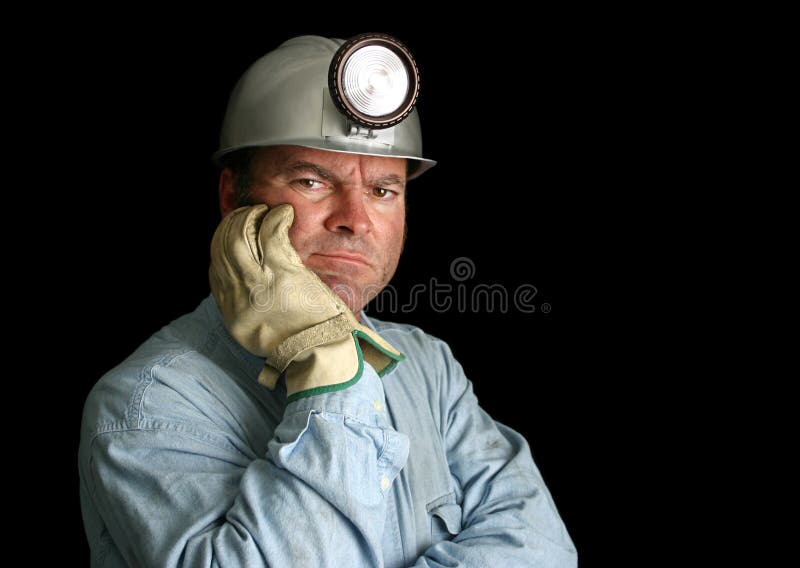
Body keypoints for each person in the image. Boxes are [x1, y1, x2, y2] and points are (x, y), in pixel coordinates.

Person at [78, 33, 577, 567]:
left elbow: (543, 551)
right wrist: (330, 370)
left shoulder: (429, 369)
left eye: (383, 190)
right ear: (232, 196)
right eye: (312, 181)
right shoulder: (148, 404)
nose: (356, 220)